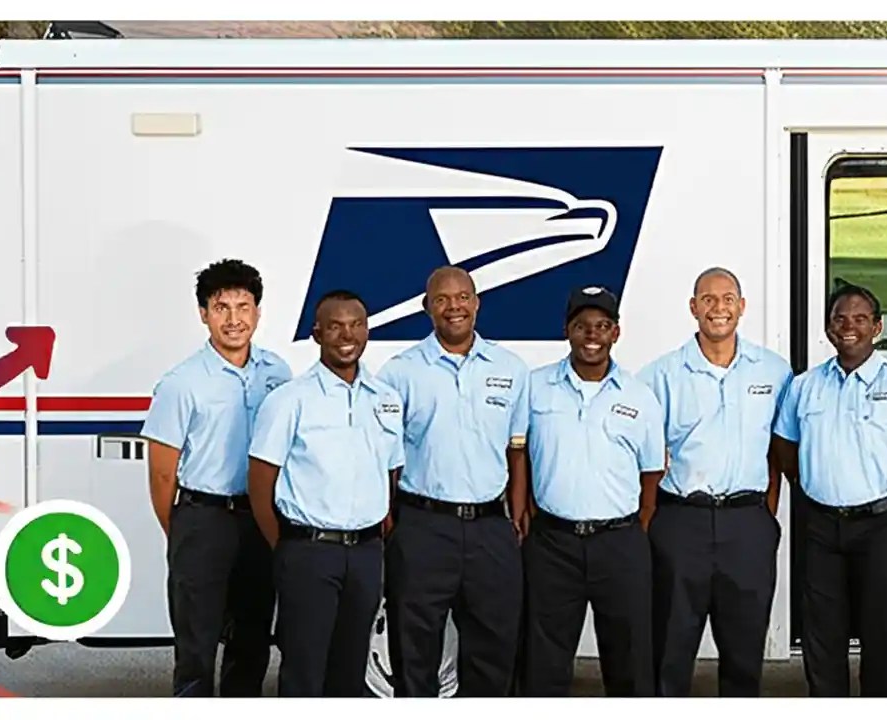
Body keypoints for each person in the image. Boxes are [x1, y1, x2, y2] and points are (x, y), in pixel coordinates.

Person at [773, 282, 887, 697]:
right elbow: (784, 449)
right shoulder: (805, 386)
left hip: (884, 525)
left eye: (860, 319)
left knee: (883, 635)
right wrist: (813, 486)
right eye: (840, 319)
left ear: (878, 327)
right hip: (821, 528)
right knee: (821, 636)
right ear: (829, 328)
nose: (849, 327)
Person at [140, 259, 292, 698]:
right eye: (221, 307)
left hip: (261, 519)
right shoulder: (182, 383)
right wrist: (183, 530)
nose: (233, 318)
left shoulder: (277, 374)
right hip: (202, 518)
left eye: (243, 306)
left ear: (258, 312)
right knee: (197, 642)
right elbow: (162, 473)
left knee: (253, 637)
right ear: (203, 313)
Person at [376, 265, 530, 697]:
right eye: (442, 299)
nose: (454, 307)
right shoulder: (399, 372)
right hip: (423, 525)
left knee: (493, 646)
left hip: (489, 528)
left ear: (477, 302)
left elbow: (516, 449)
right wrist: (390, 518)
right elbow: (386, 457)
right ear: (427, 308)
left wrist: (516, 509)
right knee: (414, 647)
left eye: (462, 297)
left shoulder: (511, 368)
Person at [637, 266, 791, 697]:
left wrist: (766, 516)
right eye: (707, 299)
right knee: (669, 648)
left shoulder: (774, 372)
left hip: (747, 525)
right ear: (693, 308)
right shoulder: (661, 375)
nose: (717, 308)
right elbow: (642, 454)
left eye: (727, 299)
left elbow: (778, 451)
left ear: (742, 307)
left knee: (744, 652)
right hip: (681, 522)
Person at [245, 289, 402, 697]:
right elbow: (261, 479)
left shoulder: (386, 399)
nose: (346, 335)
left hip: (366, 554)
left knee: (351, 670)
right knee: (304, 668)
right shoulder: (289, 400)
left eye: (355, 325)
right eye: (335, 326)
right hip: (309, 553)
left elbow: (391, 468)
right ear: (317, 334)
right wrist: (286, 548)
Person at [521, 286, 665, 697]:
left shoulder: (639, 396)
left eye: (602, 326)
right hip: (553, 543)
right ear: (567, 330)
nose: (592, 335)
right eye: (582, 326)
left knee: (629, 659)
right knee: (544, 659)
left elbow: (650, 473)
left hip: (618, 543)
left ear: (616, 333)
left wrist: (634, 528)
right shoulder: (535, 388)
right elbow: (521, 456)